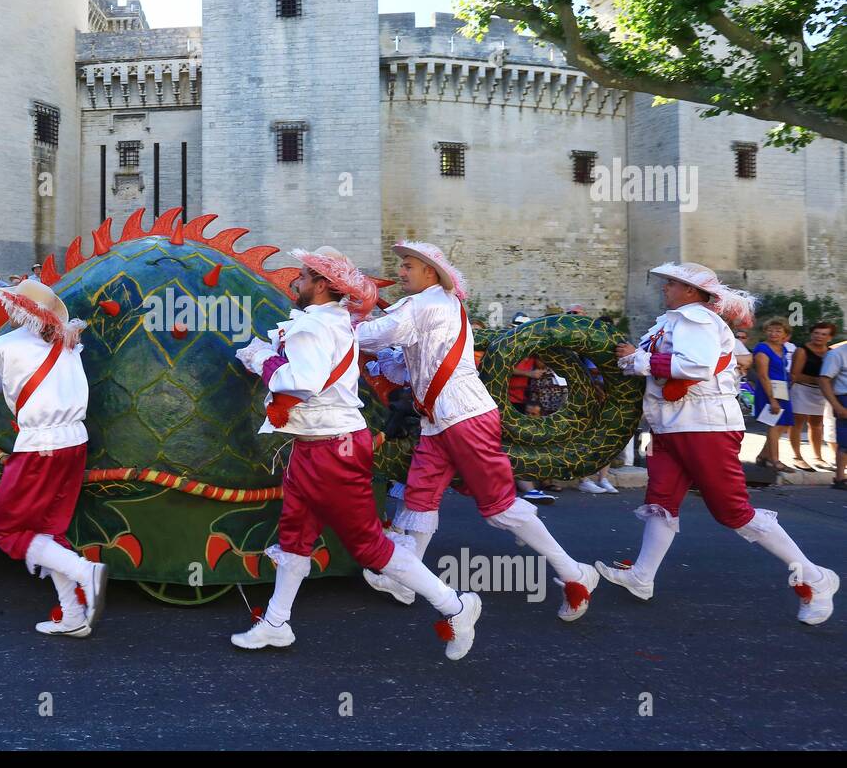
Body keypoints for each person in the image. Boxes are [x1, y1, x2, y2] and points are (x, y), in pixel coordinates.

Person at [232, 246, 483, 659]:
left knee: (369, 547)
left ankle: (456, 606)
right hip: (319, 445)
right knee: (295, 536)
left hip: (334, 449)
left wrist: (260, 358)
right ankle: (276, 623)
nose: (296, 279)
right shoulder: (329, 321)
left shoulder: (316, 327)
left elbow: (303, 383)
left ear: (324, 285)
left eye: (304, 274)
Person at [356, 240, 600, 624]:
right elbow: (403, 368)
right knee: (420, 497)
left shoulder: (427, 304)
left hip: (465, 417)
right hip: (439, 420)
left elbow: (377, 335)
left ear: (429, 272)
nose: (400, 272)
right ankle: (406, 579)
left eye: (407, 266)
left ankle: (573, 570)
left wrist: (334, 325)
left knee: (499, 505)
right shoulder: (438, 306)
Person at [600, 262, 837, 625]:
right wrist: (637, 361)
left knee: (732, 511)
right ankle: (642, 576)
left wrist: (640, 359)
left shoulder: (696, 319)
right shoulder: (675, 320)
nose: (664, 288)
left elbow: (696, 367)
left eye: (672, 284)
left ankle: (815, 577)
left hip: (703, 426)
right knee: (662, 501)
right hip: (673, 425)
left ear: (691, 292)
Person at [0, 280, 109, 635]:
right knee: (50, 529)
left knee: (8, 530)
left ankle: (86, 572)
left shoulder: (4, 346)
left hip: (40, 444)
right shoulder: (69, 345)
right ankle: (72, 615)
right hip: (75, 442)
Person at [789, 322, 837, 471]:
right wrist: (819, 380)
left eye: (824, 334)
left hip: (820, 393)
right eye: (816, 333)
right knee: (797, 424)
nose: (819, 336)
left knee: (817, 425)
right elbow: (794, 375)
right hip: (802, 390)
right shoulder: (802, 351)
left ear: (830, 337)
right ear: (811, 334)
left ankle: (817, 457)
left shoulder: (830, 352)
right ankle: (797, 456)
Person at [751, 317, 796, 472]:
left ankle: (763, 456)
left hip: (782, 390)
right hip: (768, 391)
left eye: (778, 330)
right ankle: (774, 460)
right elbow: (763, 376)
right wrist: (772, 400)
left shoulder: (782, 348)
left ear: (785, 334)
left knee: (783, 424)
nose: (774, 333)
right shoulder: (762, 349)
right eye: (770, 330)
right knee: (773, 424)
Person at [819, 338, 847, 491]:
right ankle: (840, 478)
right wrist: (836, 405)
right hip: (844, 398)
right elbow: (824, 380)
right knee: (845, 442)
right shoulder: (837, 354)